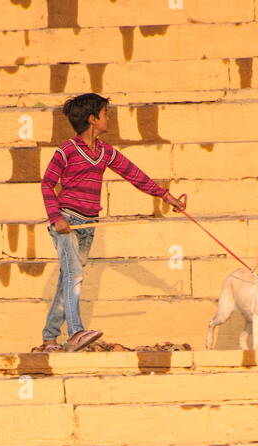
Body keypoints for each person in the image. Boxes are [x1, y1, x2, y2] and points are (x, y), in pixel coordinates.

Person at [35, 93, 186, 352]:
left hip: (88, 224)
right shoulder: (67, 150)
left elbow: (135, 175)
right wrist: (56, 217)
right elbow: (48, 183)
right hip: (67, 221)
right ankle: (75, 333)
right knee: (75, 275)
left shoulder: (105, 152)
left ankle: (49, 337)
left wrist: (165, 195)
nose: (109, 118)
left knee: (68, 278)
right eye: (105, 114)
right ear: (92, 119)